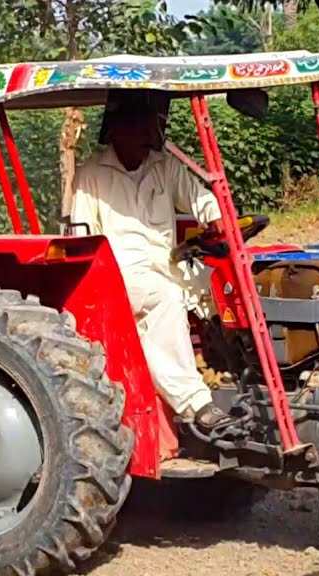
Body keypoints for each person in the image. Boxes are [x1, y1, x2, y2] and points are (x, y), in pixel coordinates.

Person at [69, 92, 233, 431]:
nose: (146, 142)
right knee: (166, 298)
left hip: (166, 266)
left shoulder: (163, 166)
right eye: (138, 133)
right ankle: (196, 403)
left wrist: (214, 214)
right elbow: (82, 238)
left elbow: (198, 196)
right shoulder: (92, 175)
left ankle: (234, 372)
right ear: (116, 132)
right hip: (118, 275)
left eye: (149, 134)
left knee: (223, 287)